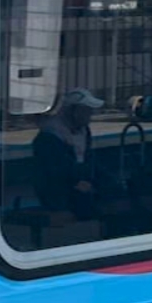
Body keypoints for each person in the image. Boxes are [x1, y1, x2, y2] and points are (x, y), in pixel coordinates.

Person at [32, 88, 107, 219]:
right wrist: (75, 183)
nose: (89, 116)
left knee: (112, 191)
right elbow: (53, 172)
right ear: (72, 111)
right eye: (85, 111)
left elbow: (89, 160)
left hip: (80, 182)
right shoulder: (49, 137)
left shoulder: (84, 131)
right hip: (56, 191)